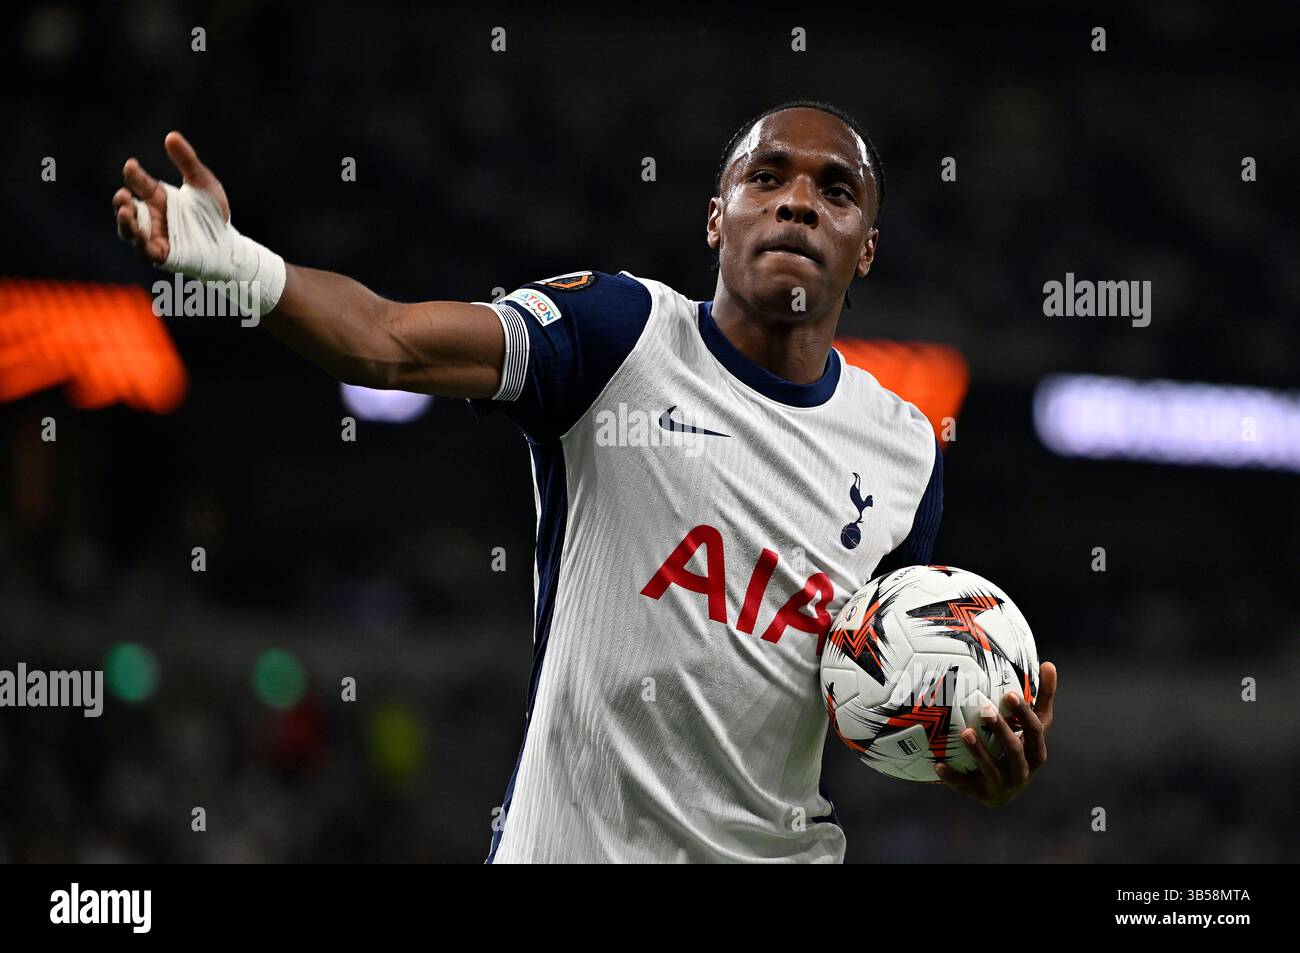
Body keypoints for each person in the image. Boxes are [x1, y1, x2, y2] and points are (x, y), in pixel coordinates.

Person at [113, 99, 1057, 863]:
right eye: (765, 177)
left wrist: (962, 754)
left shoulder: (903, 451)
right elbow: (388, 344)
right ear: (715, 217)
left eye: (835, 189)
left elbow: (872, 691)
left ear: (867, 246)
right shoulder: (621, 337)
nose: (797, 201)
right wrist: (232, 260)